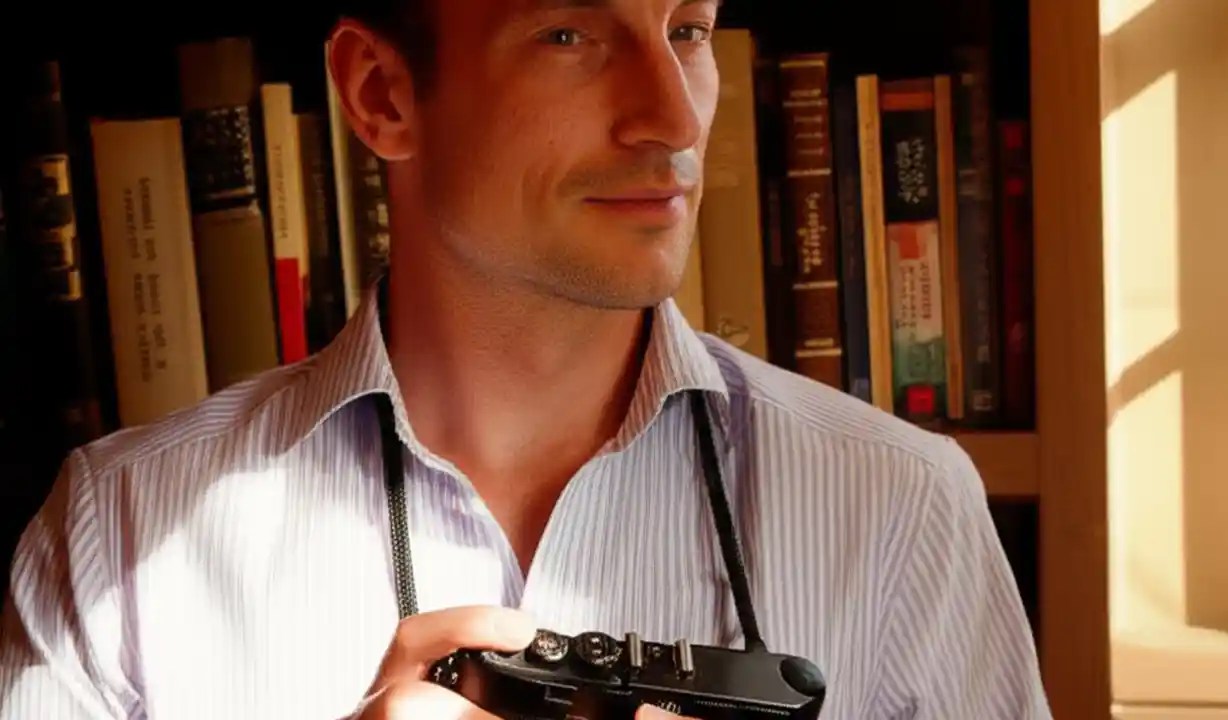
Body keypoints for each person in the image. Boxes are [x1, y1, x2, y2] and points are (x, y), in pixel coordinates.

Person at [0, 0, 1052, 717]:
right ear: (380, 94)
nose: (674, 118)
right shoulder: (118, 539)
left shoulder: (905, 508)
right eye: (567, 32)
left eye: (684, 28)